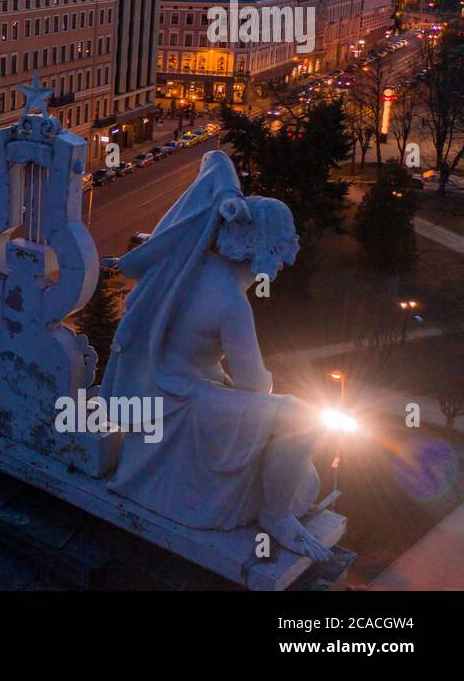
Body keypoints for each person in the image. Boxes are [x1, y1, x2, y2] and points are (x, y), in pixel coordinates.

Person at [99, 150, 331, 560]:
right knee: (300, 416)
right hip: (182, 400)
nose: (279, 268)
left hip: (159, 388)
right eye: (279, 255)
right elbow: (253, 384)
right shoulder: (230, 301)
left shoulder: (188, 266)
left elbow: (215, 159)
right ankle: (276, 516)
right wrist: (261, 386)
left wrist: (227, 195)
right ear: (260, 248)